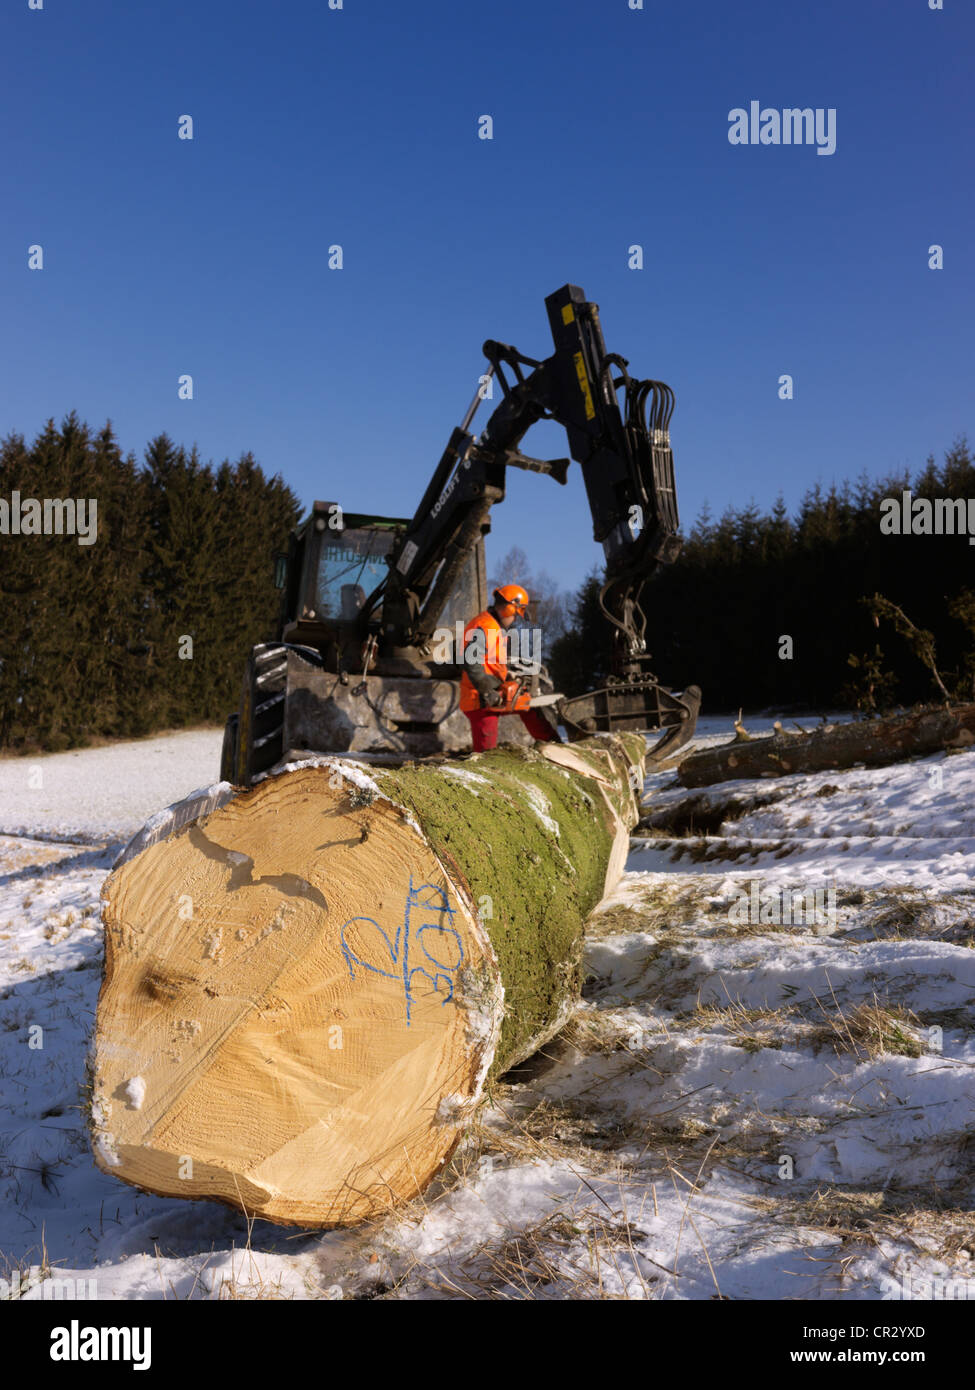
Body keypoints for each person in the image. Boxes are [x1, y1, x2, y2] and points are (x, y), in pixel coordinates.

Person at [459, 584, 563, 752]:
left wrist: (507, 678)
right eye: (515, 614)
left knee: (529, 707)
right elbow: (471, 662)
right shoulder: (485, 626)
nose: (515, 619)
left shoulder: (494, 626)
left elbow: (491, 663)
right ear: (509, 608)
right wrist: (487, 690)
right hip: (478, 698)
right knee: (486, 751)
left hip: (493, 690)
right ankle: (485, 771)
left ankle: (554, 745)